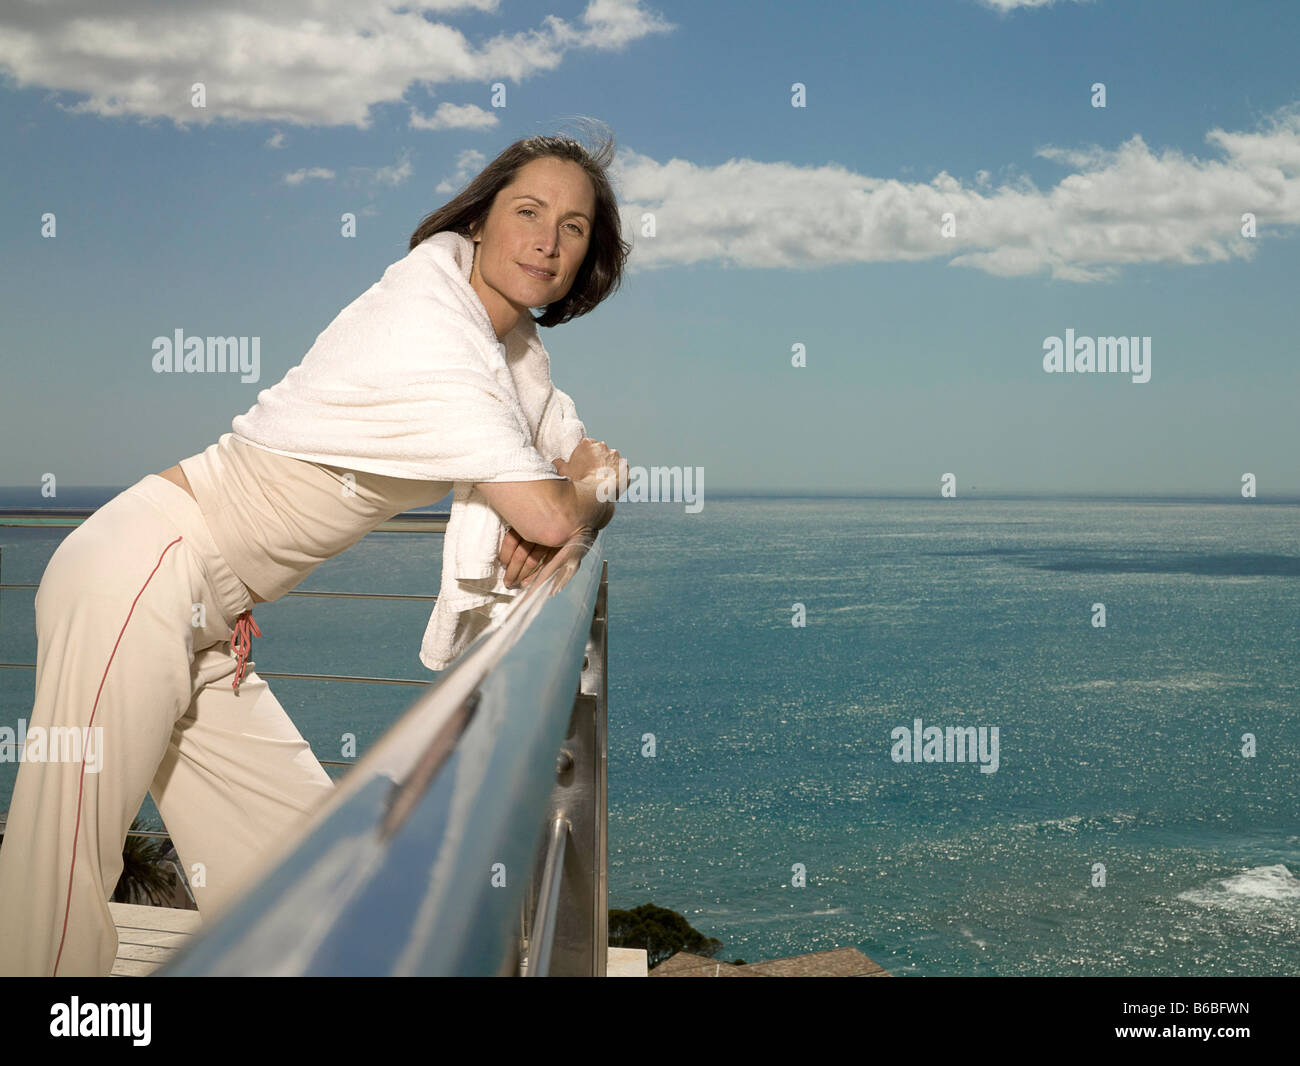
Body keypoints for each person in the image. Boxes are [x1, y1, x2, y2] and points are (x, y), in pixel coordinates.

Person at [0, 123, 631, 977]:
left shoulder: (509, 353)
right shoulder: (431, 321)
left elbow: (568, 464)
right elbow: (561, 503)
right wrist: (578, 493)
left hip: (206, 612)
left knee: (311, 879)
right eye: (528, 210)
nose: (547, 240)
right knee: (62, 867)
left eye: (574, 226)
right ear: (479, 220)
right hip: (142, 569)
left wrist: (577, 487)